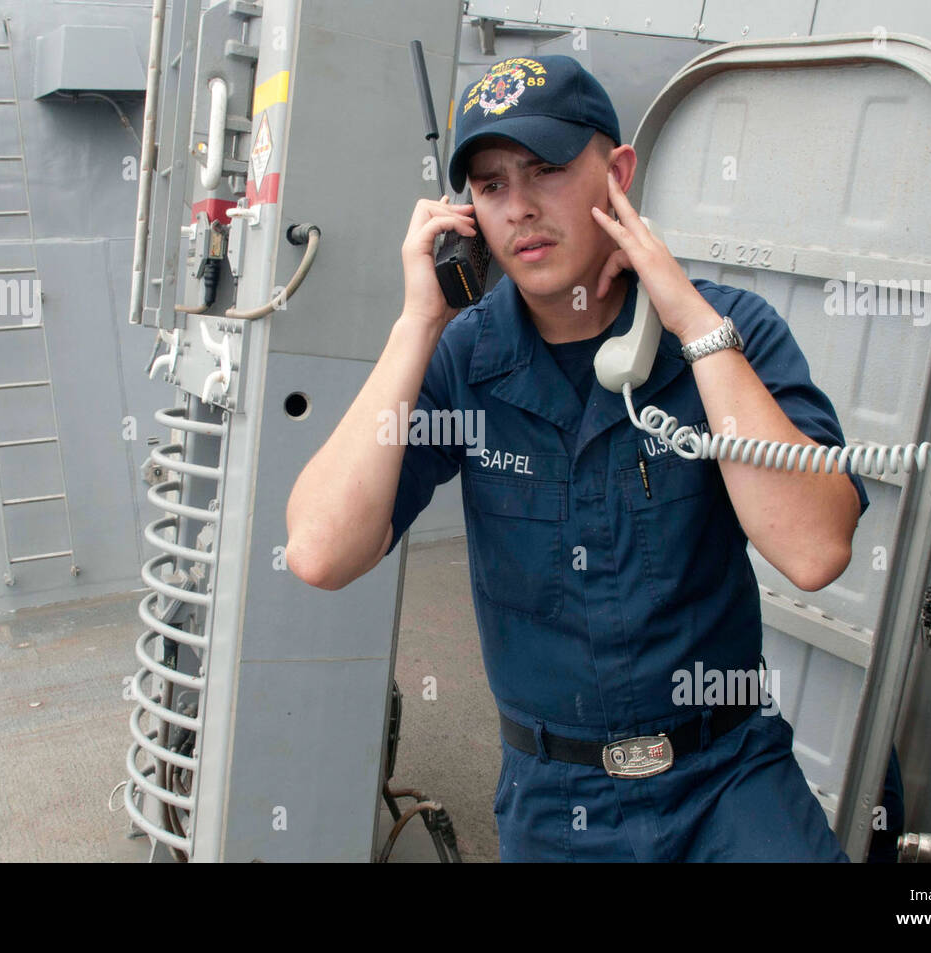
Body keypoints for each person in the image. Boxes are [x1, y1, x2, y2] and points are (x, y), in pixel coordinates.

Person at [285, 54, 869, 861]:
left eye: (548, 169)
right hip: (560, 804)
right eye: (490, 186)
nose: (520, 208)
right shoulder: (465, 358)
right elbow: (317, 551)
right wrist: (416, 325)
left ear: (618, 172)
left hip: (729, 778)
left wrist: (693, 325)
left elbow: (815, 550)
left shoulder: (729, 331)